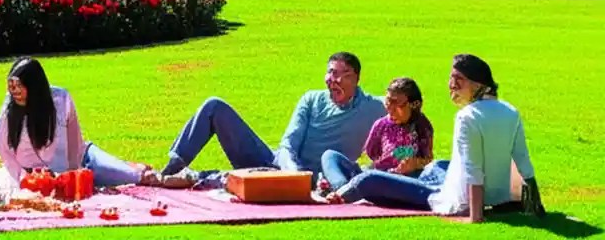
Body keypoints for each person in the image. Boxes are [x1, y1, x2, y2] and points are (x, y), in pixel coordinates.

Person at [324, 54, 547, 223]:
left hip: (452, 199)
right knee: (438, 165)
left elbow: (473, 169)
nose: (451, 85)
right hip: (477, 193)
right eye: (451, 78)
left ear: (478, 85)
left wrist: (475, 216)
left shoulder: (467, 116)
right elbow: (523, 161)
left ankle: (337, 193)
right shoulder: (510, 111)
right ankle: (346, 183)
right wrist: (536, 206)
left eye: (459, 80)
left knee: (369, 179)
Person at [159, 52, 384, 185]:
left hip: (320, 181)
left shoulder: (373, 107)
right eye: (330, 73)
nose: (332, 80)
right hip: (277, 165)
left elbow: (404, 120)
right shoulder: (312, 99)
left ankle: (197, 178)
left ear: (355, 78)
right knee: (214, 106)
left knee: (227, 179)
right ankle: (171, 168)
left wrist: (398, 161)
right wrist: (293, 172)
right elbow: (288, 145)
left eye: (340, 74)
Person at [0, 56, 154, 187]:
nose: (15, 92)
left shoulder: (61, 99)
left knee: (135, 177)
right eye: (12, 87)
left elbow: (75, 143)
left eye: (20, 86)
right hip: (34, 177)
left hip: (82, 160)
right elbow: (5, 153)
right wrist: (24, 178)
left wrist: (73, 175)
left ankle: (130, 167)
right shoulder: (8, 111)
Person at [320, 77, 434, 192]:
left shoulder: (421, 126)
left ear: (414, 105)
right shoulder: (382, 125)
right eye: (388, 102)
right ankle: (342, 188)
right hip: (374, 175)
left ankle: (346, 191)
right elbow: (367, 157)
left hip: (398, 181)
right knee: (329, 156)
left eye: (397, 104)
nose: (391, 110)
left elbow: (428, 160)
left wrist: (414, 164)